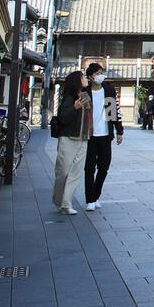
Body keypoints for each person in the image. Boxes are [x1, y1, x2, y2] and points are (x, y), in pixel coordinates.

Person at [83, 63, 123, 211]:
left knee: (104, 167)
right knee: (89, 168)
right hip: (89, 136)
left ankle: (96, 195)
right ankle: (90, 199)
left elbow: (114, 112)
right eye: (97, 73)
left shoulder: (108, 90)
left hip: (105, 135)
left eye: (101, 72)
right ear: (90, 76)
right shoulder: (85, 91)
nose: (101, 75)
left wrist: (119, 131)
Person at [51, 70, 92, 215]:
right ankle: (59, 199)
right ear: (77, 81)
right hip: (68, 138)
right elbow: (62, 118)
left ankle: (66, 204)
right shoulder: (69, 97)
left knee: (76, 173)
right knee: (62, 172)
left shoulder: (86, 96)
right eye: (83, 77)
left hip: (83, 138)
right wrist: (74, 108)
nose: (85, 79)